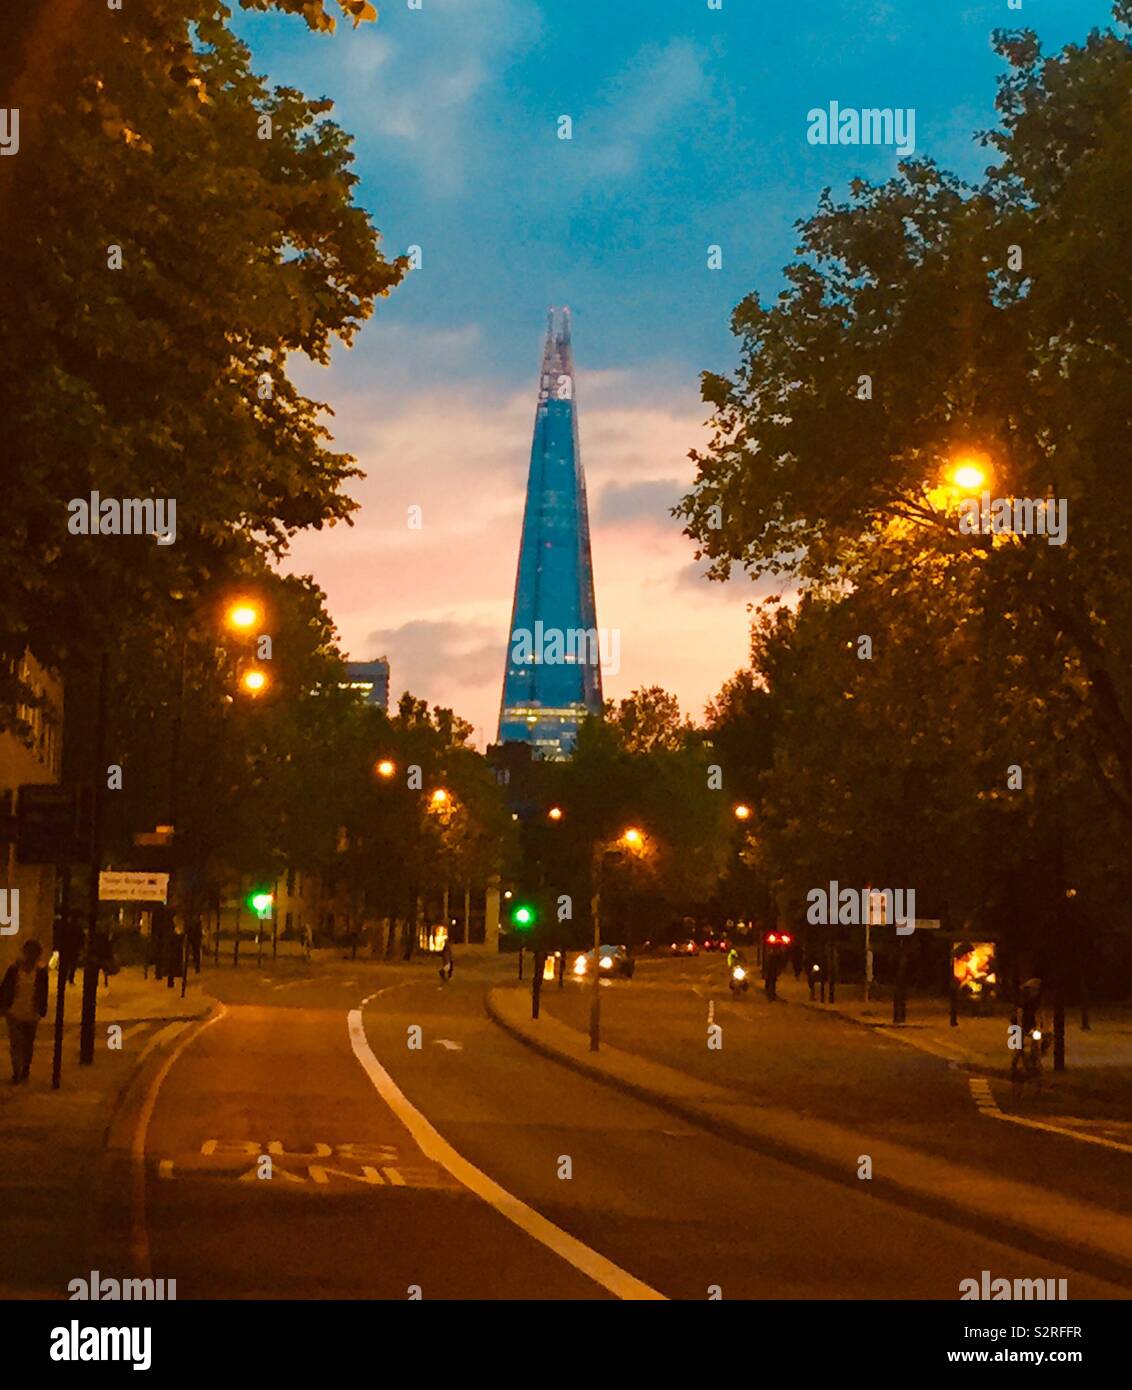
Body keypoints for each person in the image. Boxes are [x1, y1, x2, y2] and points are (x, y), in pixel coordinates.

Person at [1, 939, 49, 1084]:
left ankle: (25, 1068)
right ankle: (17, 1071)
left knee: (28, 1043)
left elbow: (43, 992)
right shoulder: (14, 970)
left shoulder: (40, 973)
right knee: (16, 1042)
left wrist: (42, 1009)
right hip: (14, 1011)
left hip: (32, 1013)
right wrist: (3, 1007)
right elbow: (5, 988)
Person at [1010, 977, 1046, 1083]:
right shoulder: (1022, 998)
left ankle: (1036, 1065)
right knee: (1018, 1046)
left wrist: (1040, 1026)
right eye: (1034, 989)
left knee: (1036, 1043)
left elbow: (1039, 1013)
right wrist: (1019, 1028)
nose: (1036, 992)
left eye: (1037, 990)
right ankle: (1013, 1067)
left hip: (1031, 1023)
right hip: (1018, 1024)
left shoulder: (1037, 1000)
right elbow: (1019, 1013)